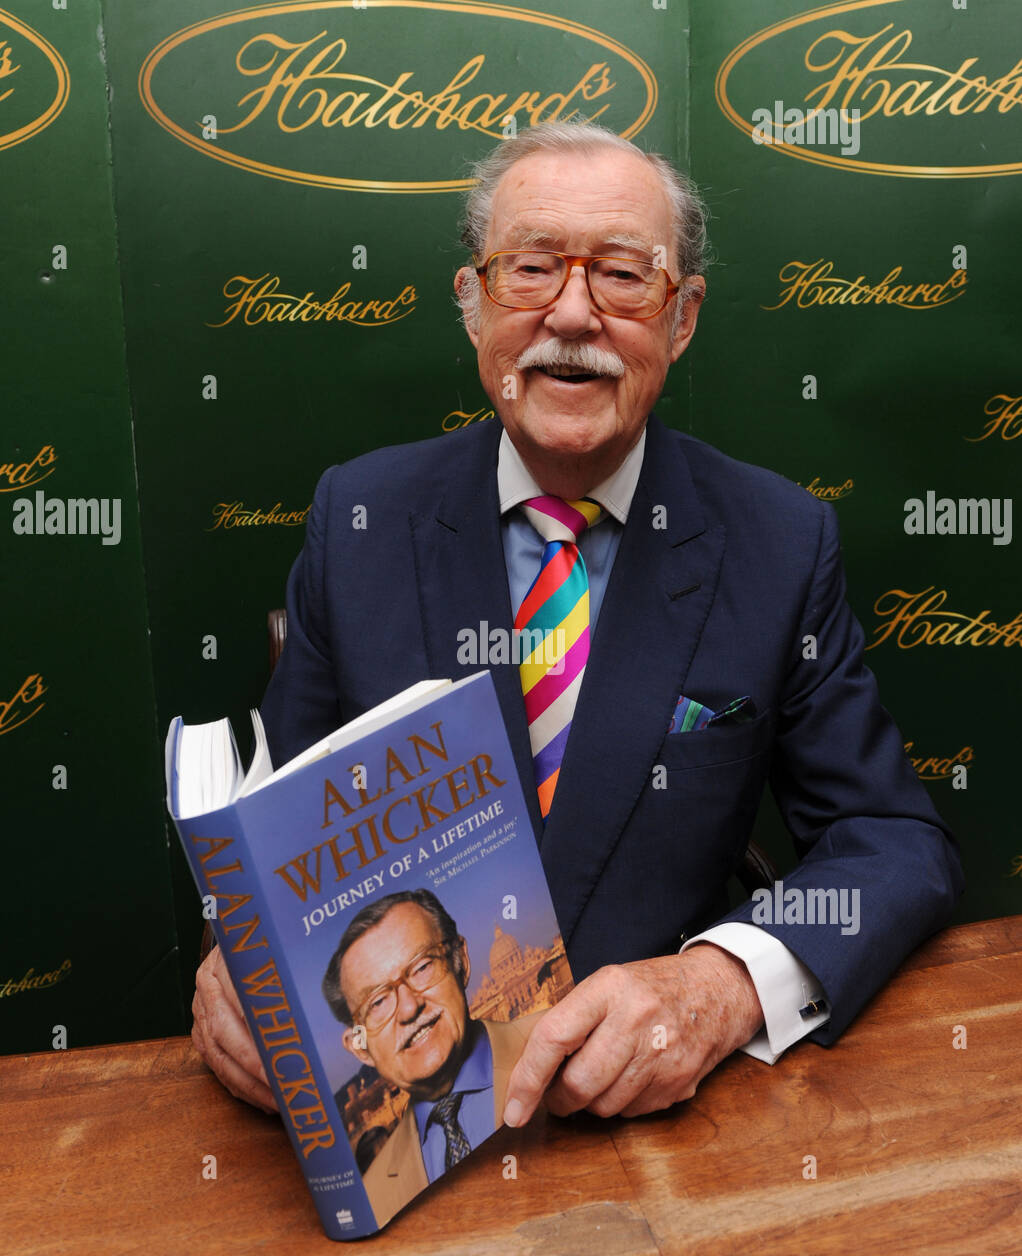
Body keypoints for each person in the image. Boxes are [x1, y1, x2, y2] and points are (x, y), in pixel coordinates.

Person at [192, 121, 963, 1144]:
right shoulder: (357, 522)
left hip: (663, 1130)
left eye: (621, 276)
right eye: (530, 269)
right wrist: (234, 963)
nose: (570, 312)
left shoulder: (779, 541)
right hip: (398, 1147)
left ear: (681, 317)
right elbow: (269, 831)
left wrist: (718, 985)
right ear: (472, 306)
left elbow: (894, 844)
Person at [321, 888, 536, 1225]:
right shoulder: (372, 1199)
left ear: (461, 961)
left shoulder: (562, 1041)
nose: (409, 1007)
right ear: (360, 1047)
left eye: (421, 967)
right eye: (377, 1003)